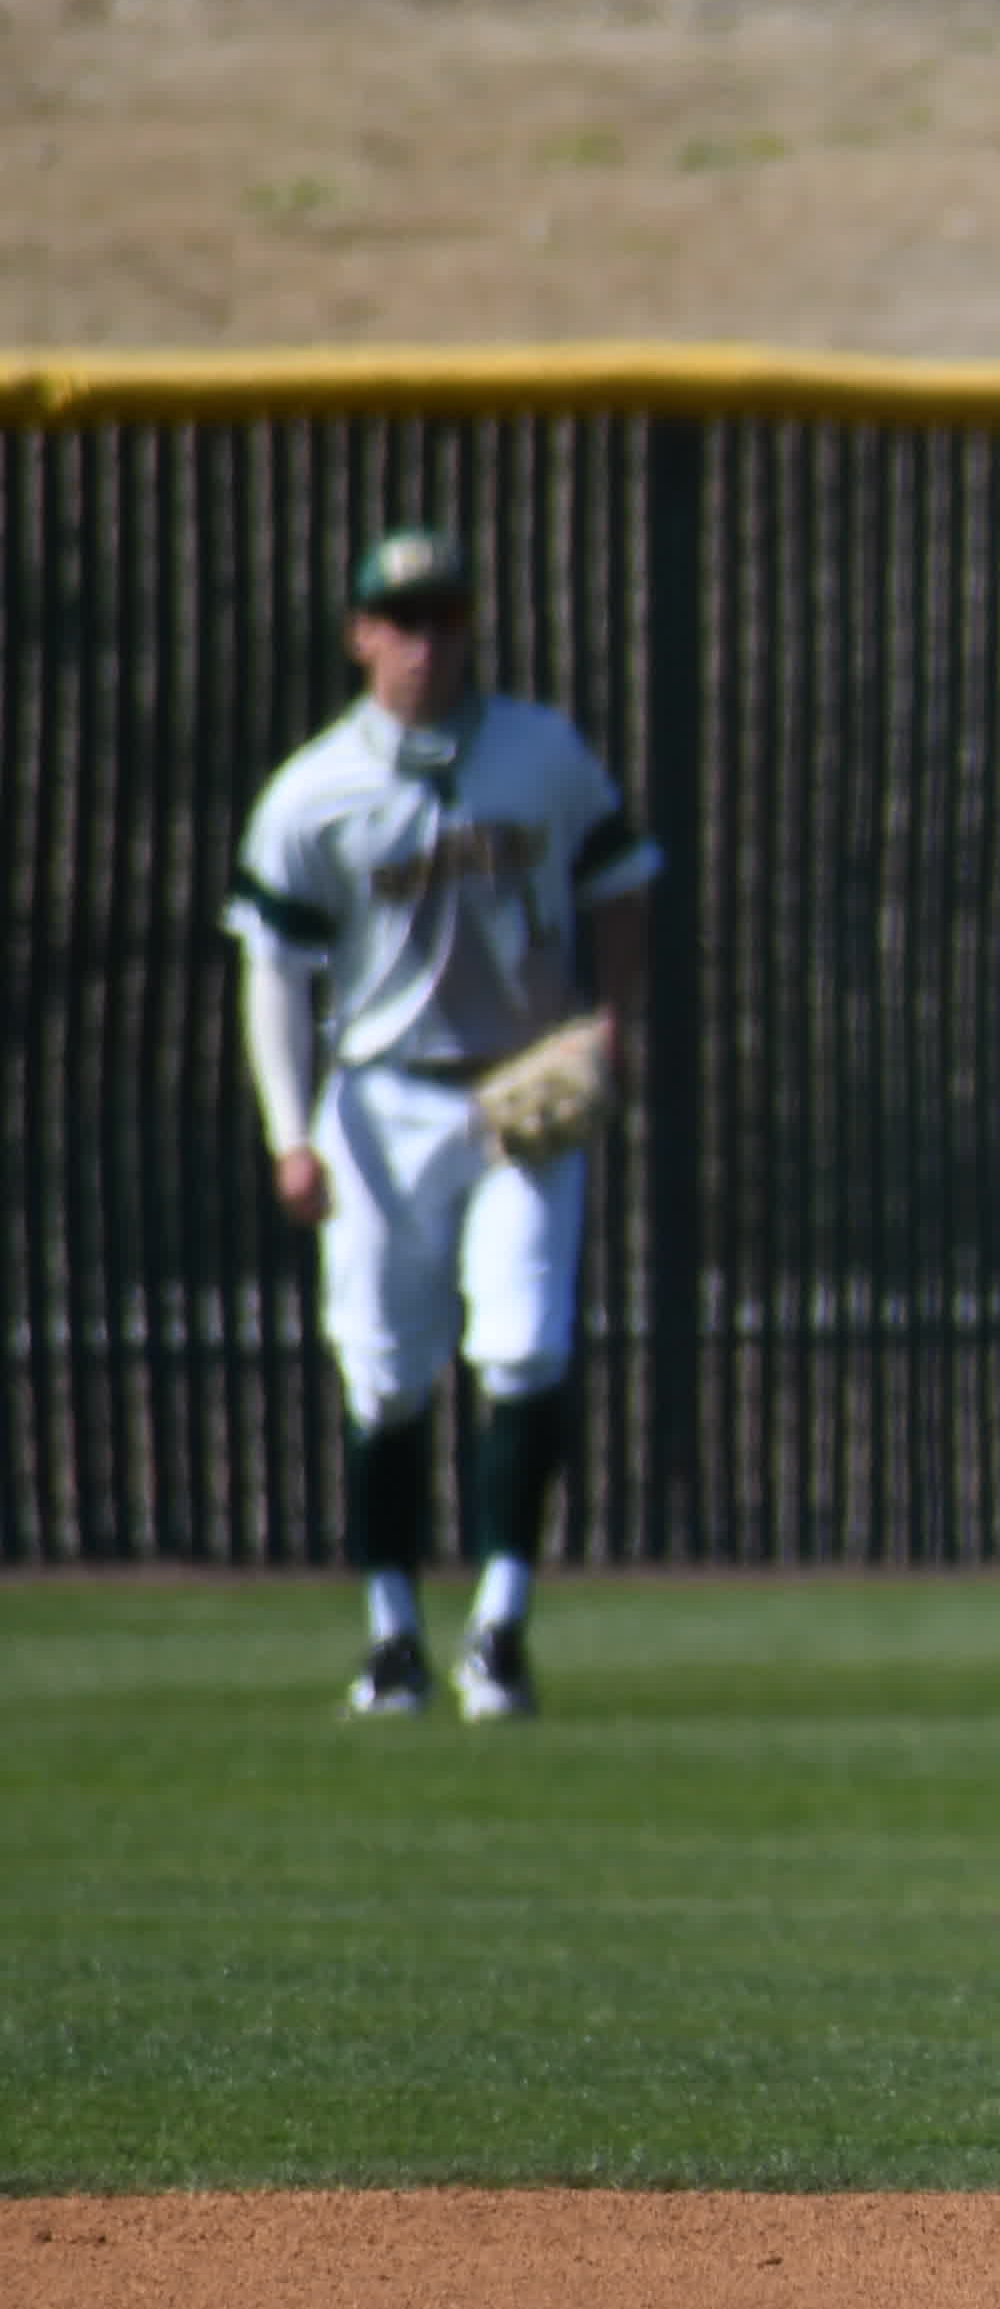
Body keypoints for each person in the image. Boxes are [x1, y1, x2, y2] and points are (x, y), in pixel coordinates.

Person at [227, 528, 661, 1720]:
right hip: (379, 1099)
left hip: (522, 1095)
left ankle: (502, 1625)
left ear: (470, 625)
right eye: (401, 616)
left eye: (443, 615)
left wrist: (615, 1029)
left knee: (524, 1347)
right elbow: (275, 968)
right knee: (385, 1373)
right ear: (362, 633)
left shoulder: (542, 752)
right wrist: (289, 1134)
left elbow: (622, 881)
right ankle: (392, 1635)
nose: (424, 639)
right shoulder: (314, 791)